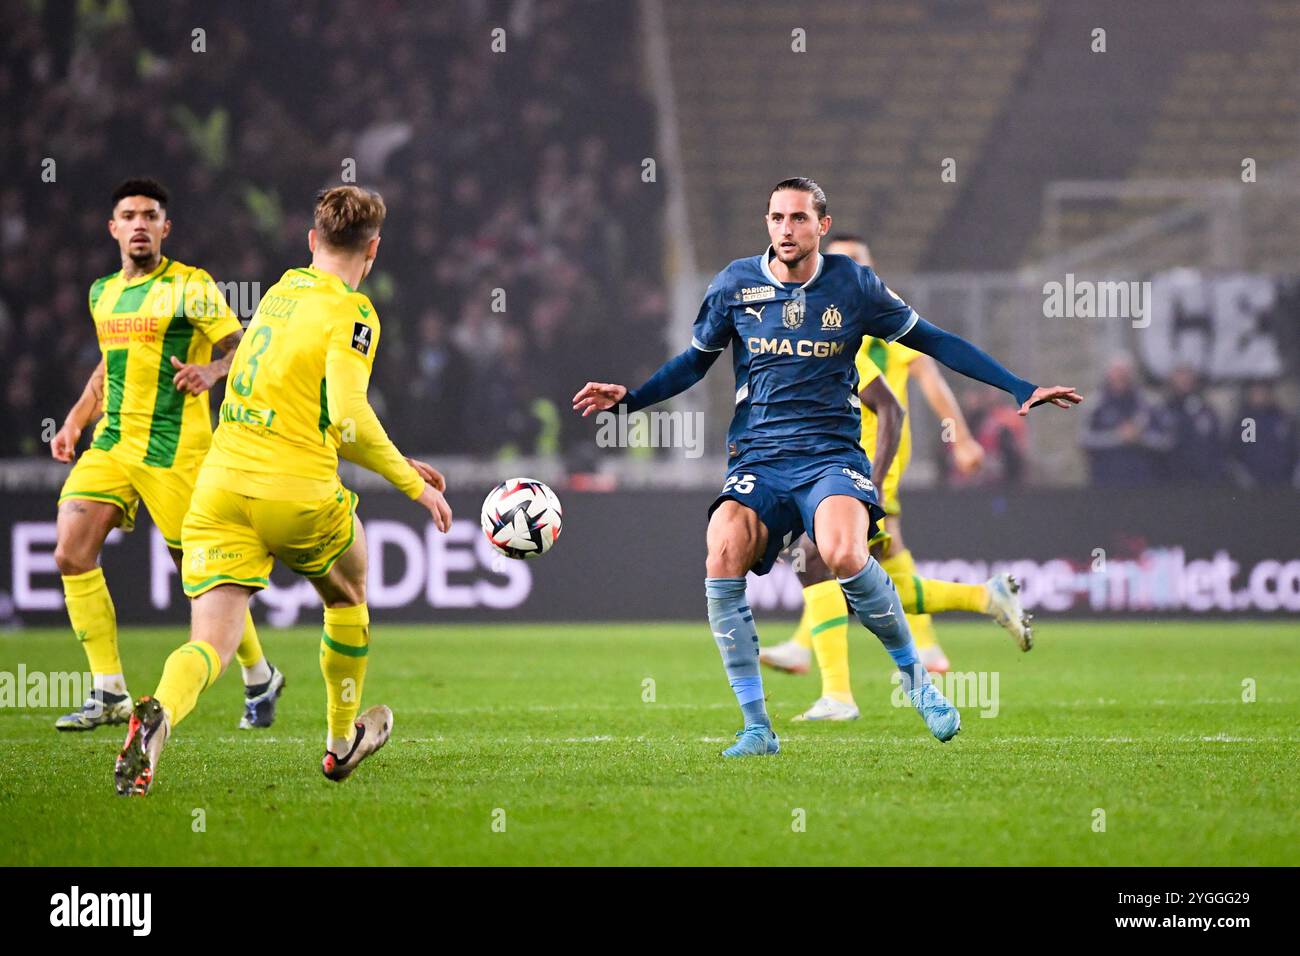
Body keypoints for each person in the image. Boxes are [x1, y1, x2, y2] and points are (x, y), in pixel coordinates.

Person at [573, 178, 1080, 756]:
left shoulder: (854, 285)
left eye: (797, 218)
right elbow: (695, 362)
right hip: (759, 458)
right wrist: (632, 399)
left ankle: (916, 684)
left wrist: (1018, 386)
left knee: (841, 553)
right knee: (721, 548)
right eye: (775, 218)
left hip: (831, 454)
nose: (785, 229)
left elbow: (937, 342)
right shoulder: (735, 284)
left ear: (822, 225)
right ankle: (758, 728)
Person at [113, 186, 452, 796]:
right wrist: (410, 485)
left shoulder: (277, 293)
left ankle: (158, 714)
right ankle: (340, 743)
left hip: (219, 488)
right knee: (347, 595)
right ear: (373, 250)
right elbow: (347, 416)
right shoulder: (355, 312)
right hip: (294, 491)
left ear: (311, 241)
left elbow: (310, 411)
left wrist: (396, 456)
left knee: (210, 643)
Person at [758, 235, 1032, 720]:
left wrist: (959, 439)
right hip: (833, 463)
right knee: (865, 571)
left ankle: (837, 687)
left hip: (864, 465)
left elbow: (913, 389)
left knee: (821, 557)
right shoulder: (828, 321)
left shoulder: (880, 322)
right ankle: (985, 599)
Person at [51, 178, 283, 733]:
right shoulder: (102, 293)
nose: (138, 224)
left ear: (164, 227)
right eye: (128, 215)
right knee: (70, 552)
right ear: (113, 228)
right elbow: (111, 365)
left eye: (149, 215)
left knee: (202, 576)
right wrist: (75, 421)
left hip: (176, 450)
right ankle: (108, 691)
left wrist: (212, 370)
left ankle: (259, 674)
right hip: (112, 444)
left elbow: (240, 343)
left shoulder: (191, 286)